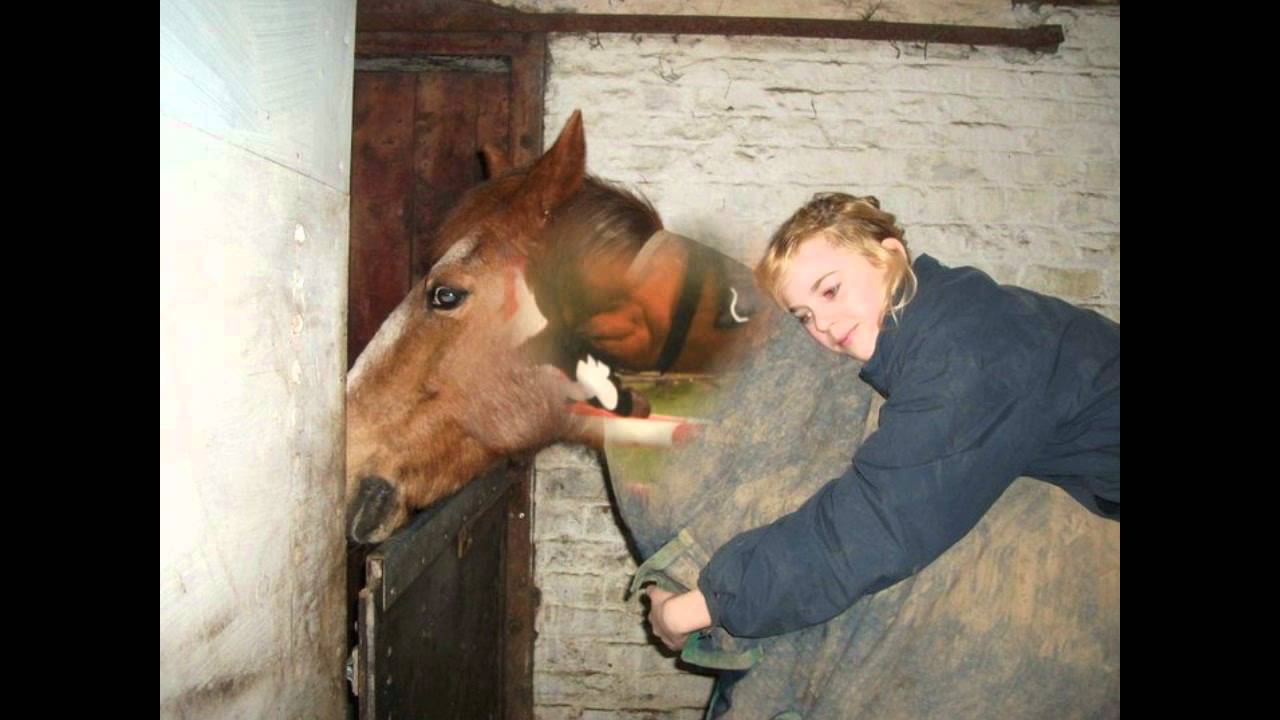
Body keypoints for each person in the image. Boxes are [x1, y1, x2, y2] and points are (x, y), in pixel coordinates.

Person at [644, 191, 1120, 649]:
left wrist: (693, 608)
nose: (824, 326)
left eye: (830, 290)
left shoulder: (963, 350)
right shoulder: (945, 319)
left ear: (887, 255)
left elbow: (877, 524)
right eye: (805, 315)